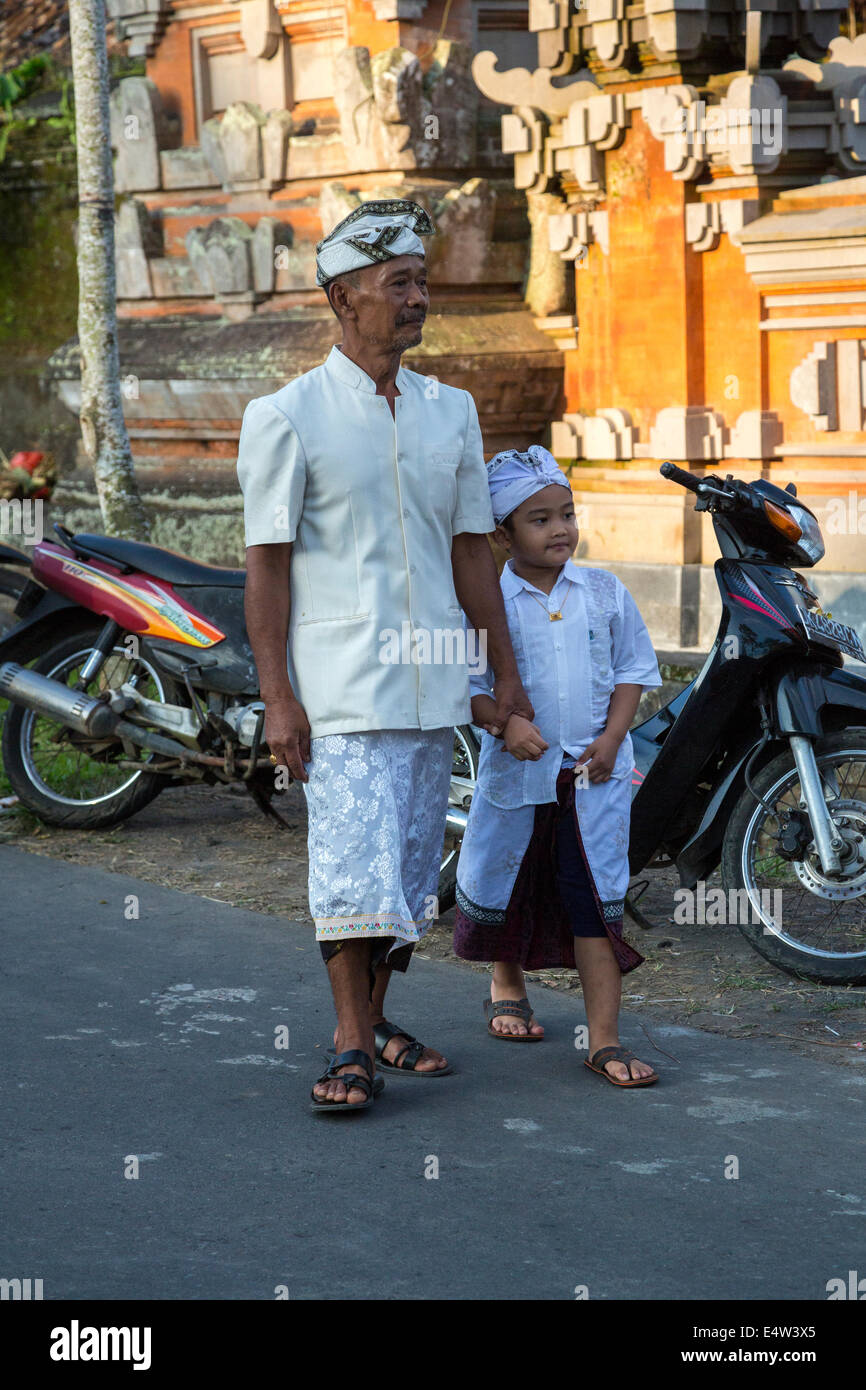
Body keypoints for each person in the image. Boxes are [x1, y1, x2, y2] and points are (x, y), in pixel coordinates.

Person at [237, 199, 532, 1112]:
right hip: (343, 687)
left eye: (421, 282)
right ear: (342, 297)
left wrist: (505, 672)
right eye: (397, 284)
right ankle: (352, 1045)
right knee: (352, 865)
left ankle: (372, 1023)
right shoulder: (287, 415)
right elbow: (267, 570)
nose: (418, 299)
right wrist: (277, 696)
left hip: (435, 680)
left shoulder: (452, 413)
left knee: (407, 873)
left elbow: (472, 551)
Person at [454, 445, 662, 1086]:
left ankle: (604, 1039)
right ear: (503, 531)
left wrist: (612, 737)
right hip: (520, 774)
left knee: (592, 896)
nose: (560, 529)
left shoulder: (603, 592)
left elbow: (632, 671)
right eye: (539, 519)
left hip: (593, 778)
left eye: (566, 514)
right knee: (513, 877)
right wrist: (504, 722)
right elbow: (465, 680)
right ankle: (506, 980)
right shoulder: (488, 601)